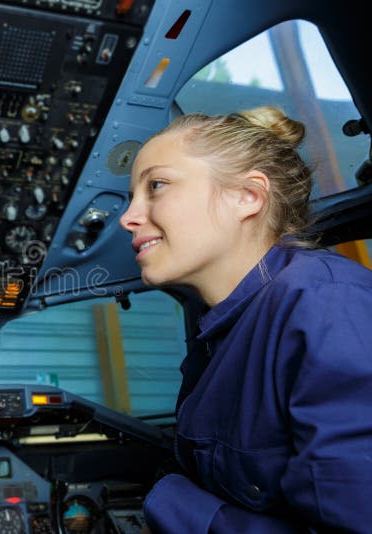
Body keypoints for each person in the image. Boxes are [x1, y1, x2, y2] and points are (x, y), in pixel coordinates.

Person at [119, 106, 372, 532]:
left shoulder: (326, 304)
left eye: (156, 186)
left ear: (248, 197)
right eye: (131, 198)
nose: (128, 218)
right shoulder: (218, 331)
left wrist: (174, 505)